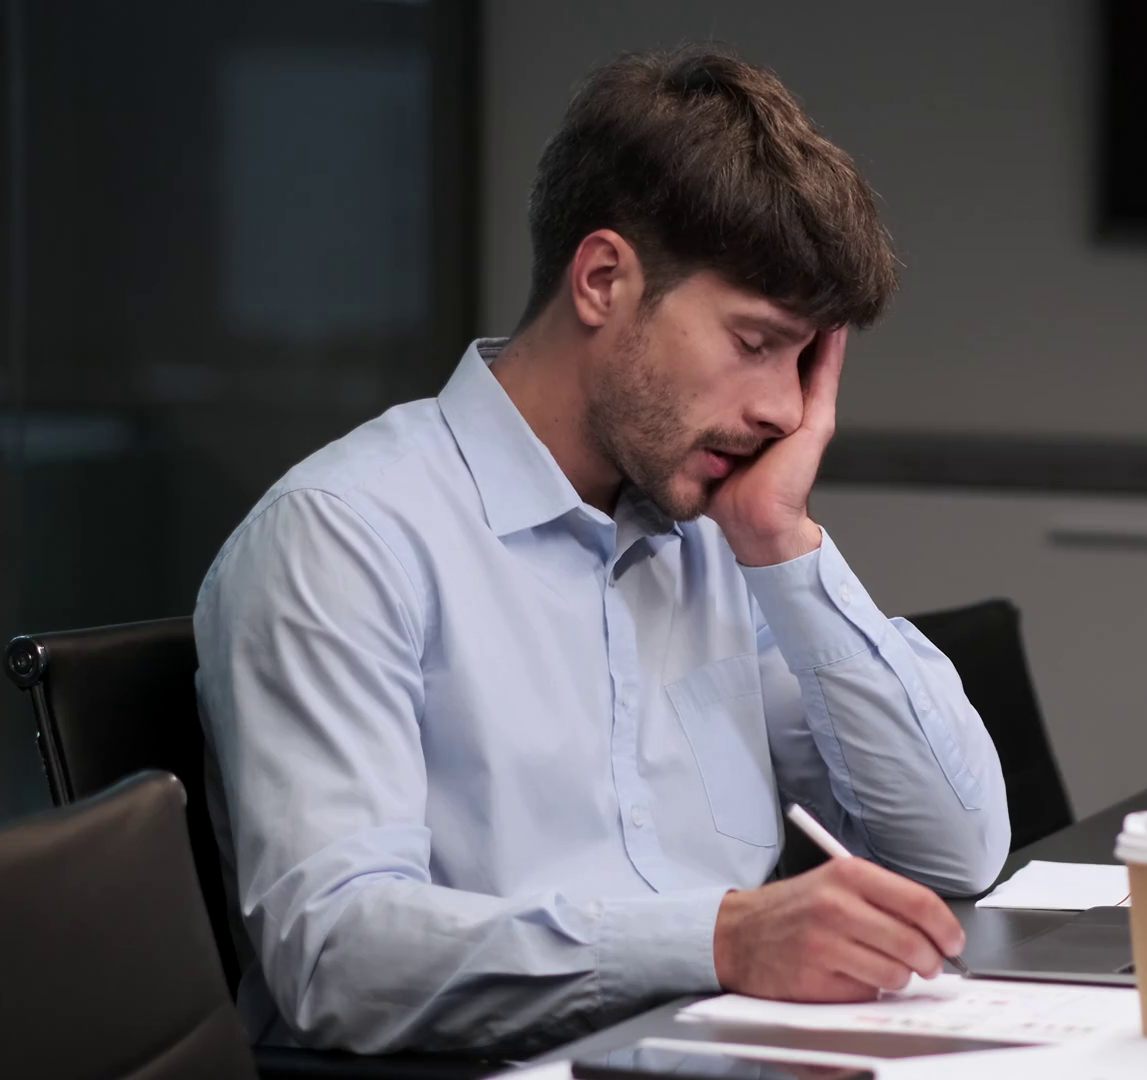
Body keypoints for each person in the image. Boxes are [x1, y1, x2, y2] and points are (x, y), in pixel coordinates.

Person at [193, 44, 1010, 1057]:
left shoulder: (717, 531)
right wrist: (719, 940)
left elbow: (958, 848)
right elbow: (338, 958)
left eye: (806, 362)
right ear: (603, 280)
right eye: (756, 343)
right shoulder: (342, 538)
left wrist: (783, 543)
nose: (784, 409)